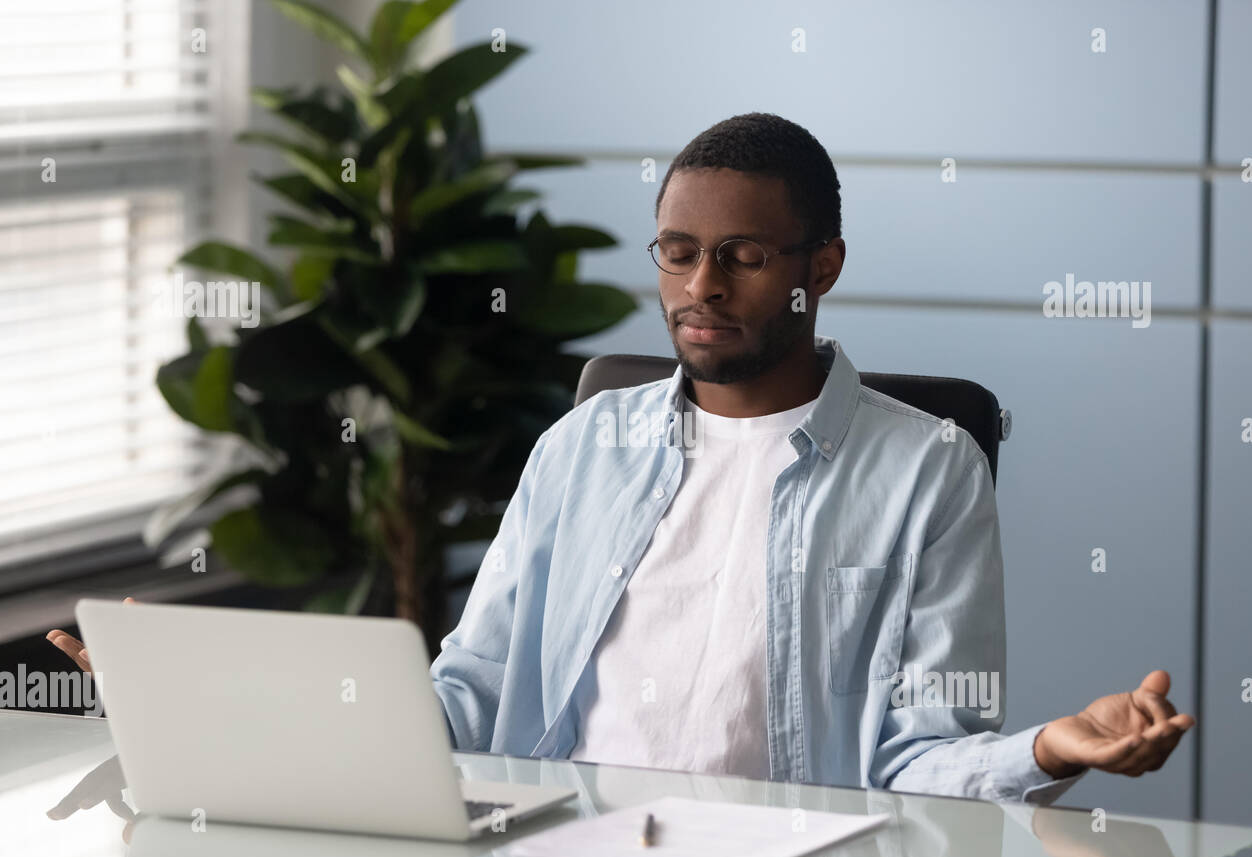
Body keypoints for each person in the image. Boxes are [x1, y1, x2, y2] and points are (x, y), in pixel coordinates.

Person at [50, 113, 1193, 806]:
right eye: (679, 252)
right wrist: (225, 696)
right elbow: (467, 697)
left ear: (820, 264)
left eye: (741, 256)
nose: (701, 288)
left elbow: (915, 754)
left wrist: (1046, 747)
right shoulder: (583, 443)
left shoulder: (928, 470)